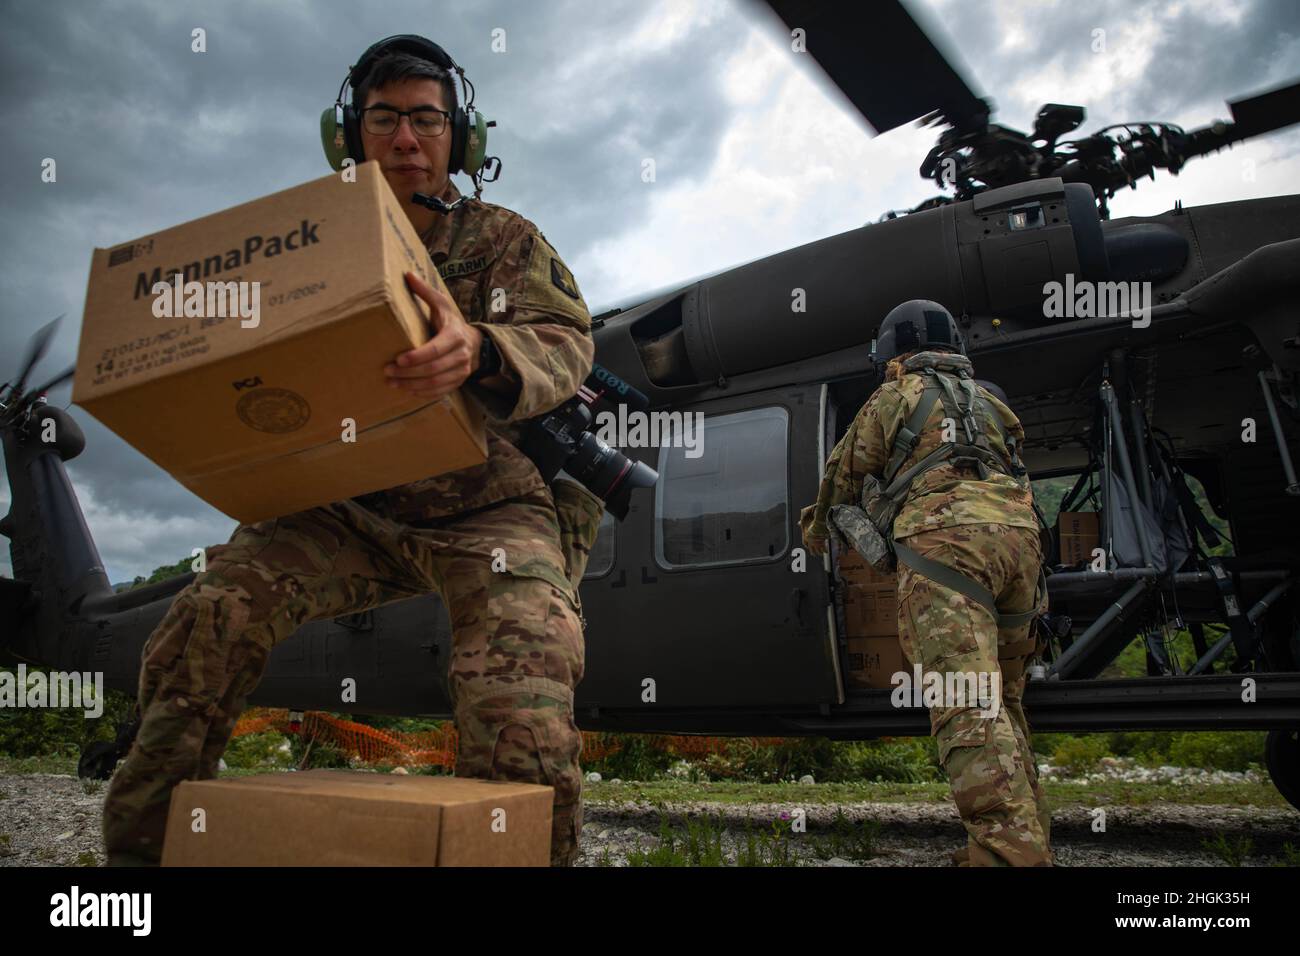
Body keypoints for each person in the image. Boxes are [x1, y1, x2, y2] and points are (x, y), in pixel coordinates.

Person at [102, 35, 604, 867]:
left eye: (425, 120)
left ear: (460, 138)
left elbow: (566, 342)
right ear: (349, 136)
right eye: (383, 119)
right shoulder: (307, 242)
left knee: (526, 673)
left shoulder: (504, 238)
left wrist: (481, 348)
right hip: (342, 504)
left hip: (484, 506)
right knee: (209, 618)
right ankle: (141, 862)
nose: (405, 139)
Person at [800, 299, 1052, 867]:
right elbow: (1016, 472)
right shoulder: (991, 402)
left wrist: (817, 534)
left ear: (894, 352)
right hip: (1020, 548)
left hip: (947, 553)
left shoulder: (894, 397)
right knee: (1006, 705)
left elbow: (840, 483)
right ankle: (1028, 841)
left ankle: (1008, 858)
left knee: (967, 705)